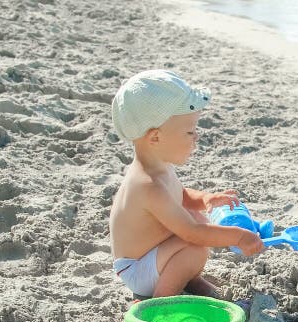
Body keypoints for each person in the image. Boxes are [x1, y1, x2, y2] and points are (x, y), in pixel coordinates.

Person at [109, 70, 263, 298]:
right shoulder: (147, 185)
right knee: (196, 247)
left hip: (153, 257)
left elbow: (180, 195)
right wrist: (239, 237)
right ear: (155, 138)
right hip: (138, 269)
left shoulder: (158, 167)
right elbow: (193, 233)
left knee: (197, 215)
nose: (196, 137)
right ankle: (159, 301)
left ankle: (187, 280)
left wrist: (206, 199)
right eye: (190, 131)